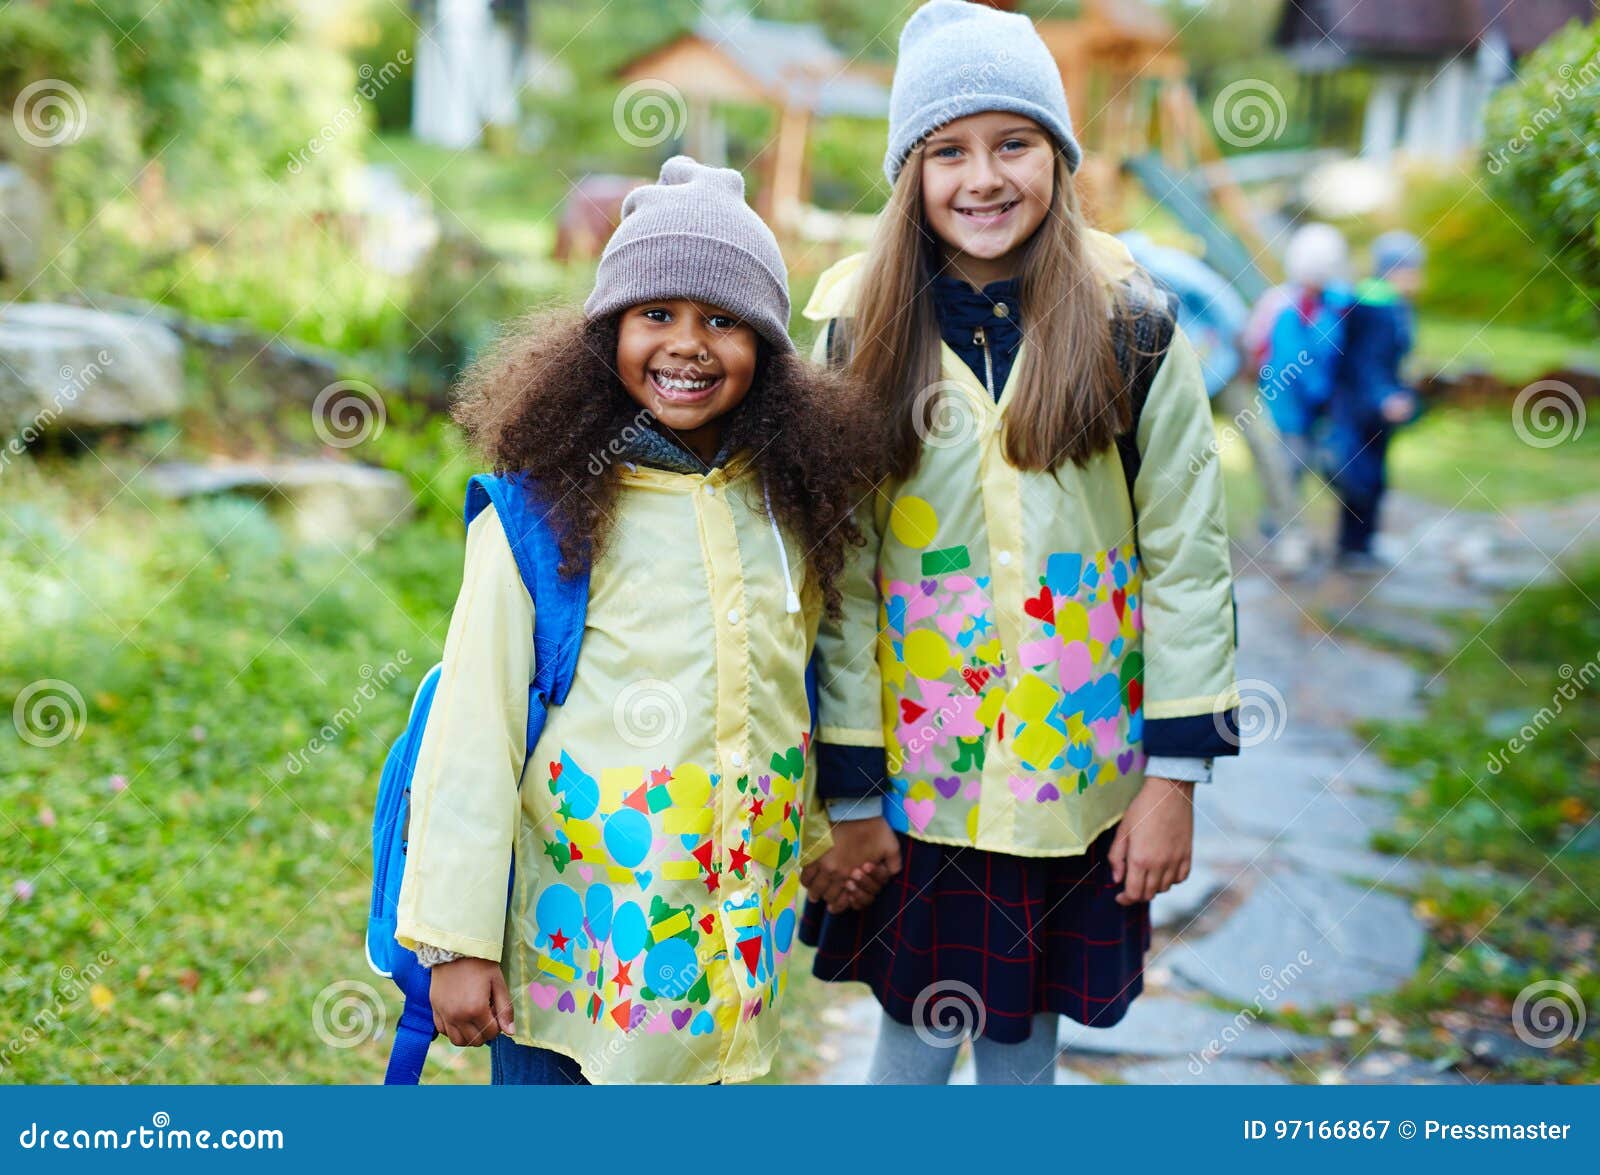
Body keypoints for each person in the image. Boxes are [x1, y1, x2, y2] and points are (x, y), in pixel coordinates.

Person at [795, 0, 1241, 1086]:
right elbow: (838, 578)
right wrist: (849, 796)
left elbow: (1186, 553)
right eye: (947, 150)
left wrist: (1171, 775)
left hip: (1073, 776)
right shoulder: (858, 332)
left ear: (1058, 156)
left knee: (1020, 1035)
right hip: (917, 777)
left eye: (1013, 144)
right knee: (907, 1031)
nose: (982, 177)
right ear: (911, 173)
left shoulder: (1132, 323)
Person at [393, 155, 885, 1084]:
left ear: (770, 354)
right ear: (605, 332)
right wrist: (455, 940)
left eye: (724, 320)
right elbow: (471, 735)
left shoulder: (788, 504)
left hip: (727, 955)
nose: (688, 344)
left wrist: (832, 827)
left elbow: (795, 687)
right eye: (656, 314)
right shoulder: (535, 519)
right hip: (573, 964)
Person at [1325, 230, 1424, 574]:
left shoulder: (1383, 301)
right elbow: (1367, 360)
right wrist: (1385, 397)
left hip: (1370, 405)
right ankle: (1353, 547)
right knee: (1362, 477)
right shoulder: (1376, 306)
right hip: (1363, 407)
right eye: (1413, 269)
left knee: (1372, 474)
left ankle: (1362, 543)